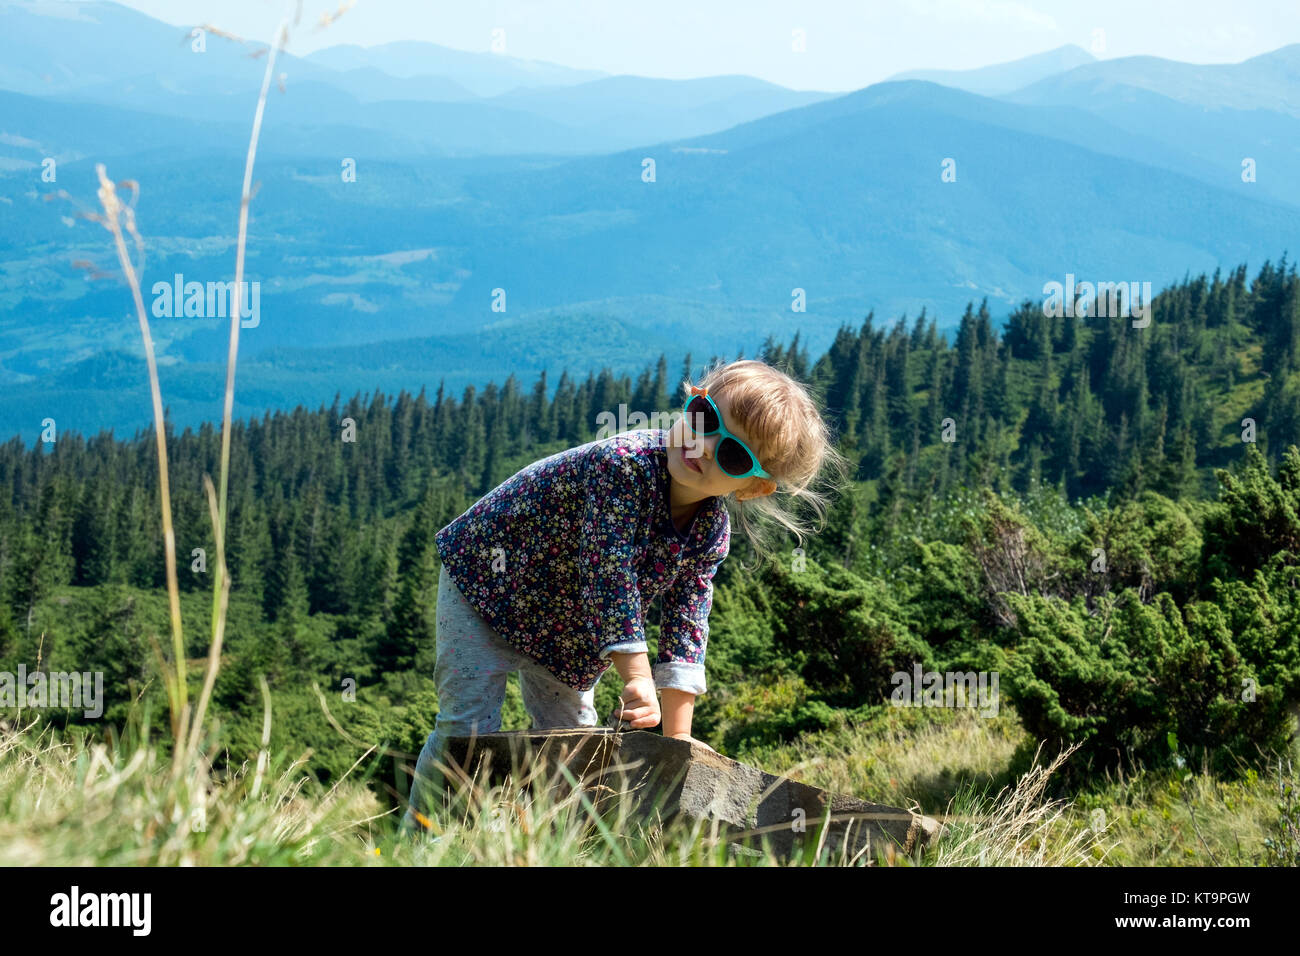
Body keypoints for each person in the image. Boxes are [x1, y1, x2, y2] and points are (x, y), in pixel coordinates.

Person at [400, 358, 844, 835]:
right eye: (705, 418)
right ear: (691, 400)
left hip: (566, 627)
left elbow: (687, 624)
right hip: (487, 584)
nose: (704, 445)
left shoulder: (709, 533)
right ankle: (422, 839)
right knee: (468, 730)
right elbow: (608, 578)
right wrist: (636, 678)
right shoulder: (624, 467)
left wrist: (678, 741)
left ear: (752, 487)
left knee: (571, 739)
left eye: (732, 455)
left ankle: (551, 843)